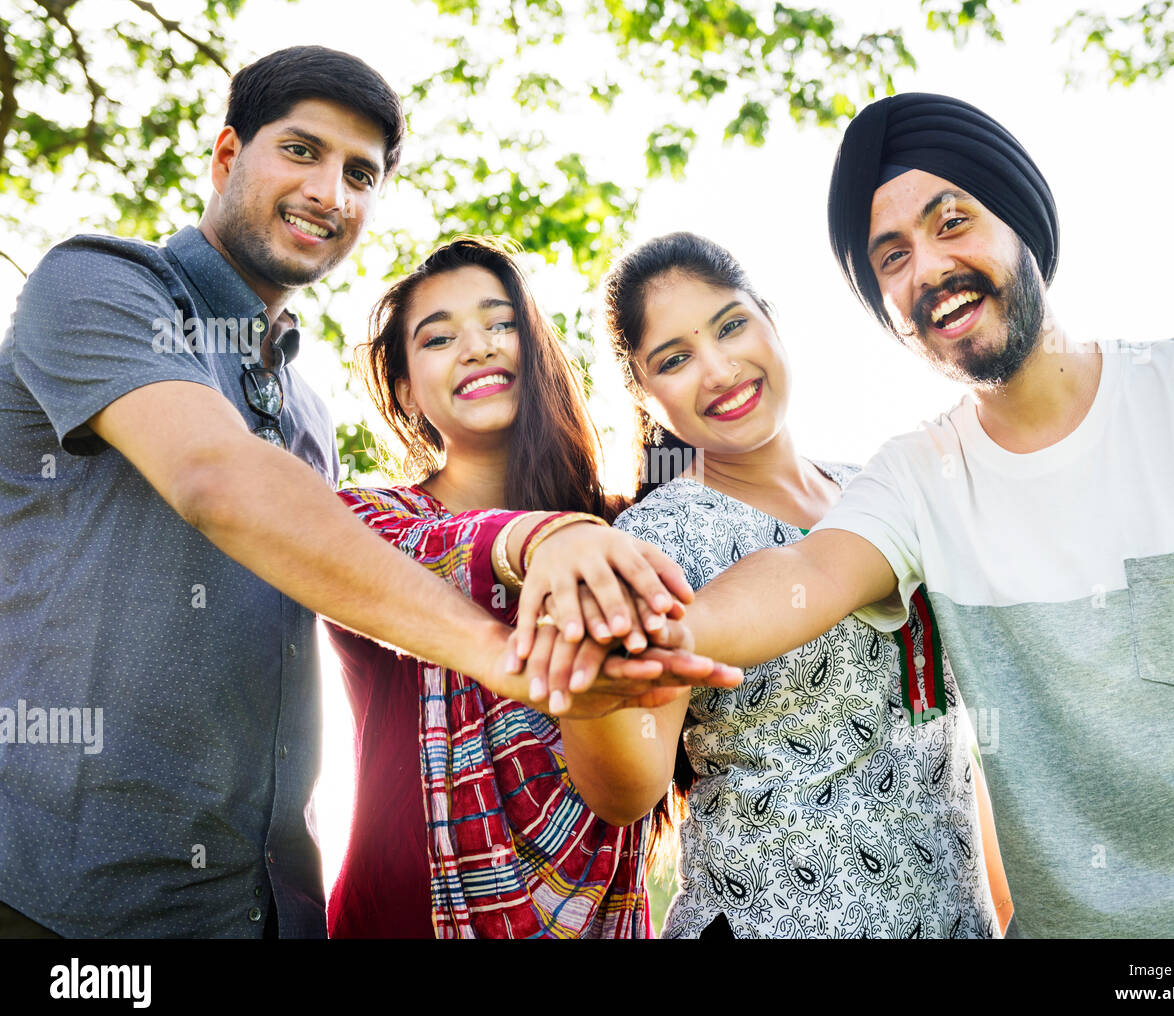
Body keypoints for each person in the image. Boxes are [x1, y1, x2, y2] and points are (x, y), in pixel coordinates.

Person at [531, 92, 1174, 938]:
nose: (928, 269)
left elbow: (951, 758)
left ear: (1021, 218)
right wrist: (618, 635)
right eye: (891, 257)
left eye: (952, 221)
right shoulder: (914, 478)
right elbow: (802, 574)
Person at [0, 46, 703, 940]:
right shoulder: (99, 284)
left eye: (359, 173)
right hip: (60, 905)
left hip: (259, 911)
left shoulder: (304, 413)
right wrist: (512, 649)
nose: (330, 192)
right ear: (226, 158)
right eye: (302, 151)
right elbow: (218, 481)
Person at [547, 230, 1010, 938]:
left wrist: (1001, 913)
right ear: (646, 394)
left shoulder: (875, 492)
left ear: (769, 317)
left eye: (731, 325)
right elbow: (629, 789)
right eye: (675, 358)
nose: (719, 368)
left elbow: (941, 744)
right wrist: (587, 689)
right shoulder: (652, 545)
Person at [324, 237, 737, 938]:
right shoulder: (365, 521)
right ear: (405, 390)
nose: (477, 347)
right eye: (439, 338)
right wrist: (543, 540)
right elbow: (409, 553)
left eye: (500, 322)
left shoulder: (624, 531)